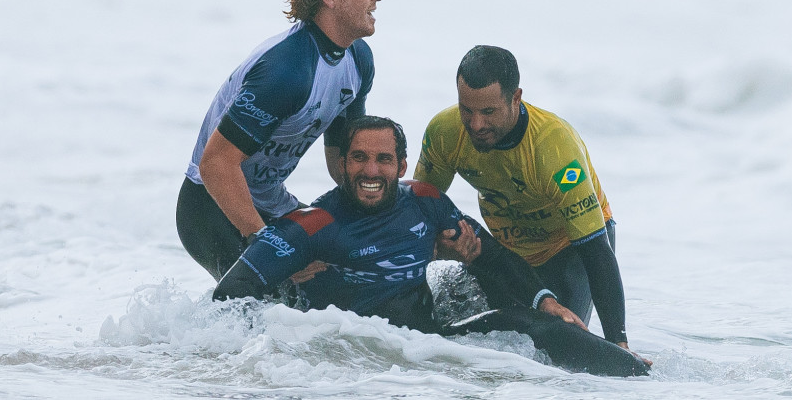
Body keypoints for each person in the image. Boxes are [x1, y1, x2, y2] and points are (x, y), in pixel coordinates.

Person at [213, 116, 650, 377]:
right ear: (341, 165)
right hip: (354, 355)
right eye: (360, 158)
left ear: (401, 165)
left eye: (384, 159)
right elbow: (231, 292)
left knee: (549, 329)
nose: (372, 170)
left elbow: (488, 255)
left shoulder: (423, 200)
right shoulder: (313, 225)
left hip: (430, 342)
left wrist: (545, 299)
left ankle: (643, 384)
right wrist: (268, 351)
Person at [176, 0, 382, 282]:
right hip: (211, 206)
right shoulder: (286, 71)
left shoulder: (358, 60)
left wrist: (387, 217)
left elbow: (343, 162)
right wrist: (271, 248)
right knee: (262, 315)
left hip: (271, 204)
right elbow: (216, 164)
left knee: (350, 279)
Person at [413, 45, 640, 354]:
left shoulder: (553, 148)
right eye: (467, 109)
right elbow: (419, 213)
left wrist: (619, 345)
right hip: (509, 253)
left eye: (488, 112)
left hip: (569, 249)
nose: (476, 125)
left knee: (553, 349)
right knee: (472, 340)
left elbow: (596, 252)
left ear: (515, 98)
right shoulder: (445, 132)